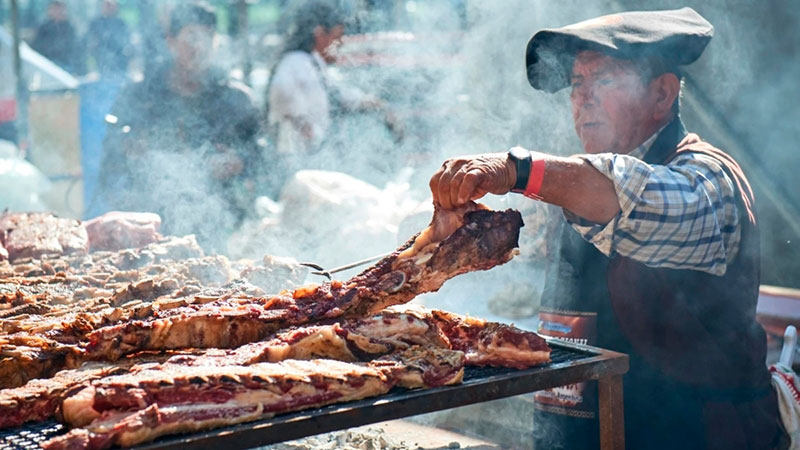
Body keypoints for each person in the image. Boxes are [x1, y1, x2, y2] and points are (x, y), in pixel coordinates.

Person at [428, 8, 786, 450]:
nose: (584, 98)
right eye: (576, 83)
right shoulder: (575, 184)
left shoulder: (708, 179)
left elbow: (634, 194)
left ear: (662, 94)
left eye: (604, 79)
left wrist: (515, 169)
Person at [97, 1, 262, 252]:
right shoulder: (140, 97)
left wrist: (239, 161)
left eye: (208, 36)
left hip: (222, 228)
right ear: (171, 41)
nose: (200, 46)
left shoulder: (237, 100)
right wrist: (131, 151)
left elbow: (262, 154)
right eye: (192, 36)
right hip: (150, 230)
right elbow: (110, 162)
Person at [266, 0, 402, 186]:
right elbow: (283, 93)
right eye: (337, 37)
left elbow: (341, 94)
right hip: (296, 161)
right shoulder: (295, 63)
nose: (340, 43)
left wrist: (380, 106)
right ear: (319, 33)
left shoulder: (314, 65)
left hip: (311, 158)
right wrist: (304, 127)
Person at [31, 1, 83, 75]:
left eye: (58, 9)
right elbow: (37, 46)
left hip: (66, 65)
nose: (56, 11)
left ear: (63, 10)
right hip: (47, 64)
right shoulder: (44, 27)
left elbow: (75, 48)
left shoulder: (69, 27)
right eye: (53, 9)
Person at [85, 0, 131, 77]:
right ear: (102, 7)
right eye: (107, 5)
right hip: (100, 61)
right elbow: (90, 40)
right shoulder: (95, 23)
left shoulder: (121, 23)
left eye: (112, 6)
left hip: (119, 62)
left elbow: (125, 42)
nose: (110, 8)